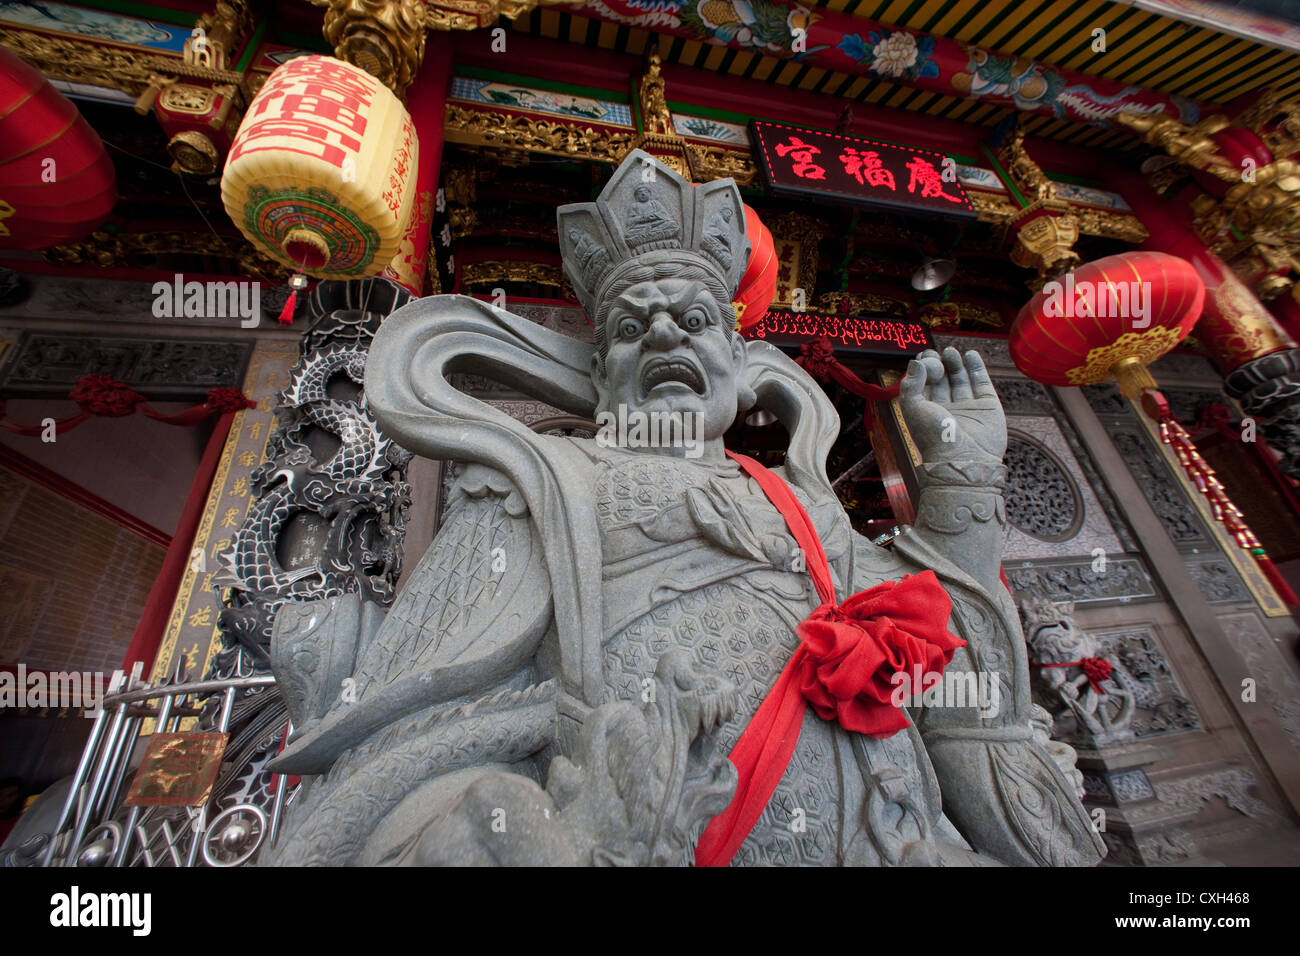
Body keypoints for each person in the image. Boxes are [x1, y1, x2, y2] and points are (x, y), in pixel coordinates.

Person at [262, 151, 1103, 867]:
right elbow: (406, 752)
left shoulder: (801, 505)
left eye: (694, 319)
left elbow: (957, 699)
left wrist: (958, 487)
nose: (664, 336)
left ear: (741, 367)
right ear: (601, 374)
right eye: (632, 327)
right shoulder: (541, 486)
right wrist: (516, 831)